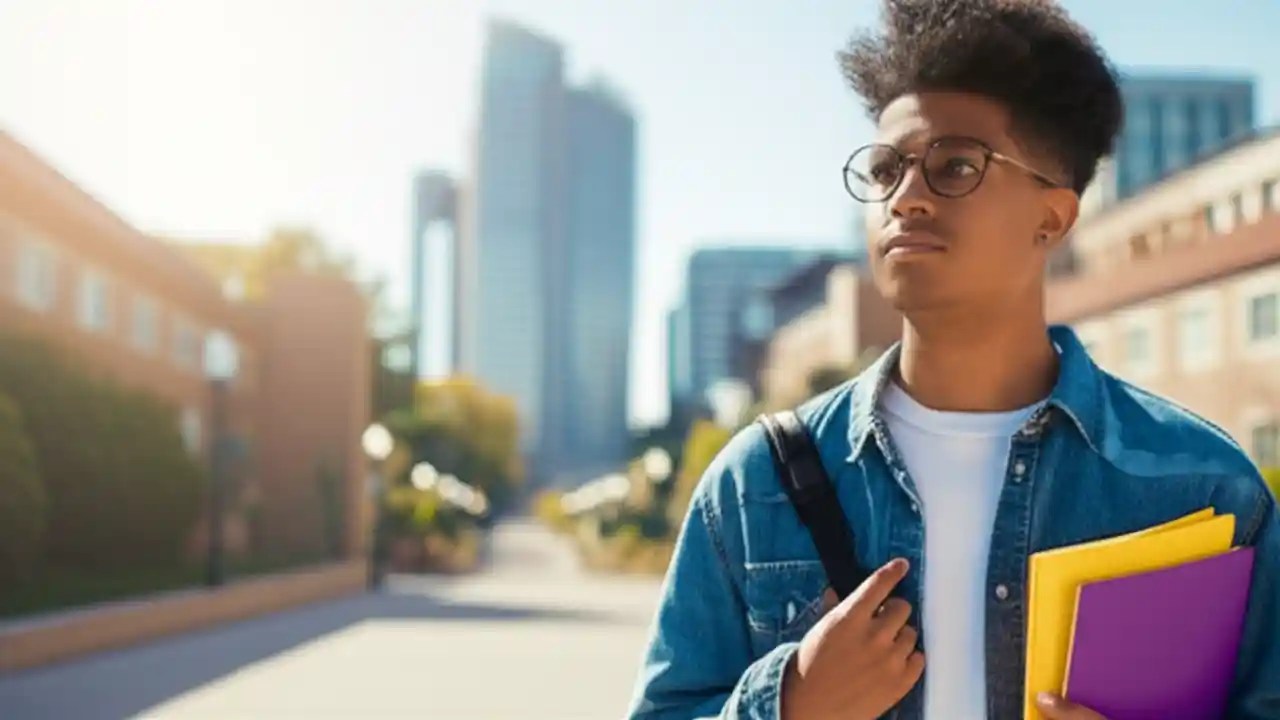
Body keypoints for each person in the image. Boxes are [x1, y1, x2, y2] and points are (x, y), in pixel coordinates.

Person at [626, 1, 1280, 718]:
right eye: (885, 171)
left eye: (955, 167)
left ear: (1053, 217)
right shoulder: (757, 485)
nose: (904, 199)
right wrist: (790, 704)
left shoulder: (1205, 486)